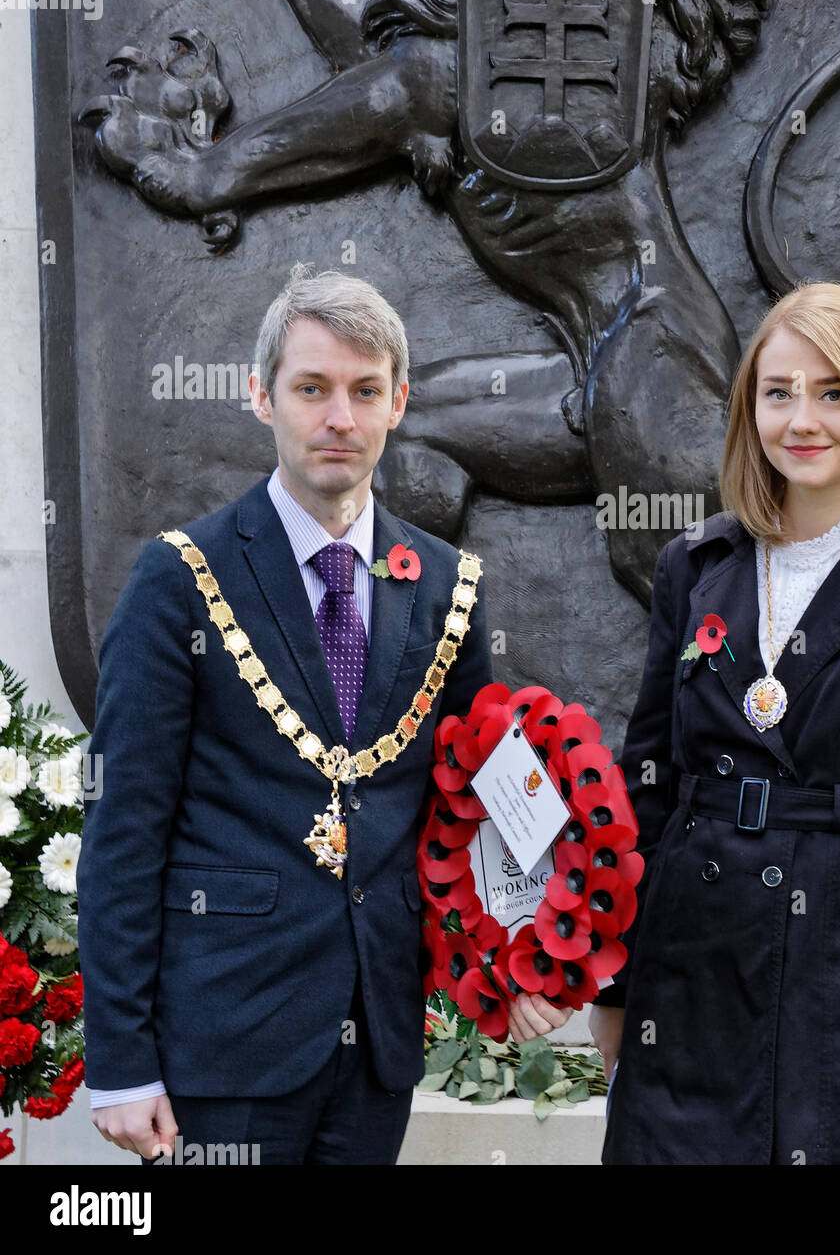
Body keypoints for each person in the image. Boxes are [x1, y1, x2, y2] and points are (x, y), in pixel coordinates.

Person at [79, 264, 569, 1165]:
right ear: (262, 397)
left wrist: (522, 945)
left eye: (363, 390)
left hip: (376, 1034)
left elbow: (476, 802)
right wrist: (118, 1061)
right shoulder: (178, 580)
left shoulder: (447, 587)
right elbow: (123, 827)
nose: (338, 417)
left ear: (399, 403)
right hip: (224, 1035)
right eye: (312, 388)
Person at [588, 281, 840, 1165]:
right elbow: (645, 792)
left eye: (833, 392)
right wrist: (615, 985)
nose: (802, 419)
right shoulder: (693, 565)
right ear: (750, 410)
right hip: (690, 981)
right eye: (779, 393)